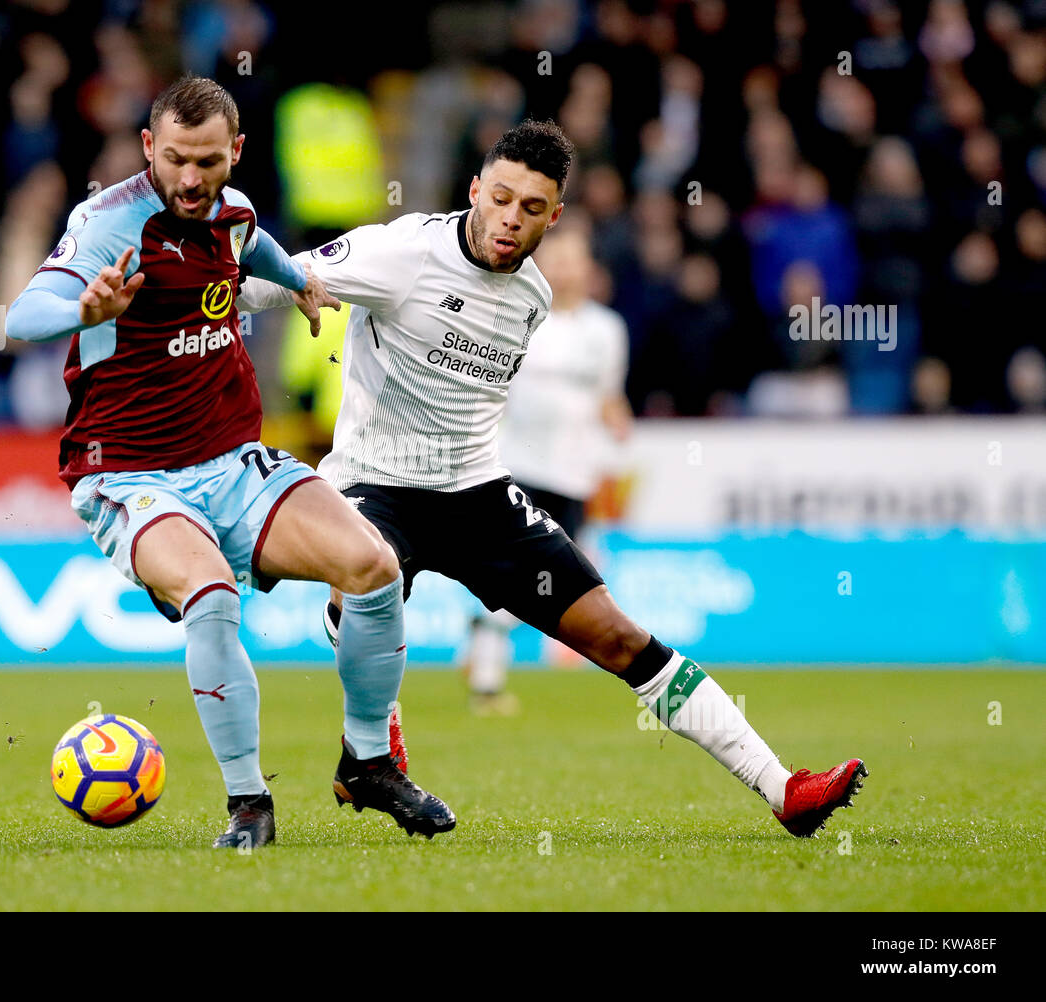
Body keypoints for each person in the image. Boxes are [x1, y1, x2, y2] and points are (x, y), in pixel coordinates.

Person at [239, 120, 867, 837]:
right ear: (475, 190)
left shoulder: (531, 295)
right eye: (500, 198)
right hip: (375, 485)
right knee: (366, 580)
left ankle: (783, 788)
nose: (510, 219)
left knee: (620, 638)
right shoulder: (401, 250)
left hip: (476, 495)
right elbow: (275, 279)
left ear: (554, 216)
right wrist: (193, 305)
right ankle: (371, 750)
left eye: (532, 208)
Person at [5, 77, 453, 850]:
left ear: (235, 153)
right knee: (212, 594)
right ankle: (249, 802)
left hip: (231, 460)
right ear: (149, 148)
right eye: (174, 159)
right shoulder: (109, 223)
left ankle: (370, 763)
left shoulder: (234, 211)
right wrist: (83, 311)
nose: (189, 177)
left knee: (375, 568)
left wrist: (300, 281)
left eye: (208, 161)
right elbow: (20, 316)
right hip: (129, 472)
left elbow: (253, 243)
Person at [464, 223, 633, 714]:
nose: (563, 266)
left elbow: (609, 398)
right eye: (554, 257)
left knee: (573, 574)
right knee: (522, 573)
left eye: (573, 256)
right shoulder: (520, 318)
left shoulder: (606, 330)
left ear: (588, 266)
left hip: (577, 476)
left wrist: (619, 425)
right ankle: (488, 681)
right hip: (520, 468)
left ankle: (482, 637)